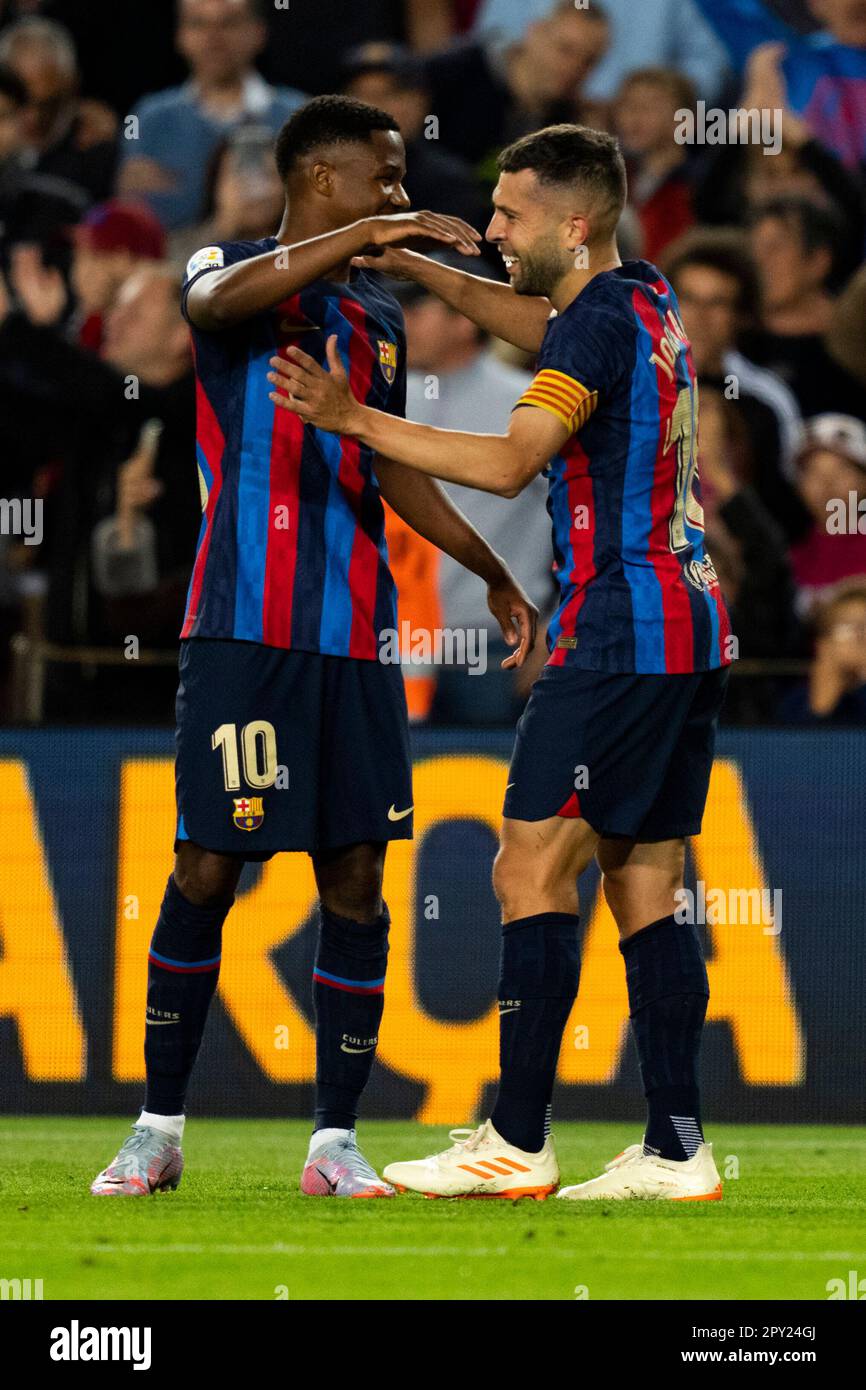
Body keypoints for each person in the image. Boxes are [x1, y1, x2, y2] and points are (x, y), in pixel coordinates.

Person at [269, 123, 733, 1203]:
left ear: (571, 224)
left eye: (509, 214)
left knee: (526, 868)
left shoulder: (592, 329)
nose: (490, 230)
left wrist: (355, 418)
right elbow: (540, 318)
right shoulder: (641, 297)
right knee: (644, 880)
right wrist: (416, 263)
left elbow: (509, 459)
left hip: (615, 631)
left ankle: (515, 1138)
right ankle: (674, 1147)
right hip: (685, 626)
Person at [90, 95, 536, 1200]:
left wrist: (485, 566)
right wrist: (365, 234)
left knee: (355, 879)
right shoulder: (231, 271)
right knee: (207, 863)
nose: (398, 197)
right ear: (323, 181)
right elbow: (214, 295)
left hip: (355, 641)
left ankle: (334, 1141)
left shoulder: (375, 315)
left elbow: (390, 466)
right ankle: (156, 1127)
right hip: (243, 631)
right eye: (381, 179)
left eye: (398, 183)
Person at [661, 226, 809, 540]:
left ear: (741, 316)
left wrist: (720, 470)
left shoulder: (765, 403)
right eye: (688, 299)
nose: (700, 316)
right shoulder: (630, 388)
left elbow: (787, 519)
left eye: (716, 303)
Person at [117, 0, 306, 230]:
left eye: (229, 23)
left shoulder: (299, 116)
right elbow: (135, 221)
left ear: (258, 33)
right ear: (181, 36)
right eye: (198, 24)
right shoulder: (150, 118)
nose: (213, 38)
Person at [0, 16, 117, 203]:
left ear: (71, 85)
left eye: (47, 104)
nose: (32, 118)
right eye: (19, 104)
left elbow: (133, 125)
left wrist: (126, 134)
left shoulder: (94, 147)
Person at [613, 67, 697, 263]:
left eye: (648, 108)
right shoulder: (614, 178)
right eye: (627, 106)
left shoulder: (697, 186)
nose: (633, 117)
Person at [777, 576, 866, 723]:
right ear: (823, 645)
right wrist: (819, 708)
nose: (858, 638)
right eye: (847, 627)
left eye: (863, 628)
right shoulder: (796, 703)